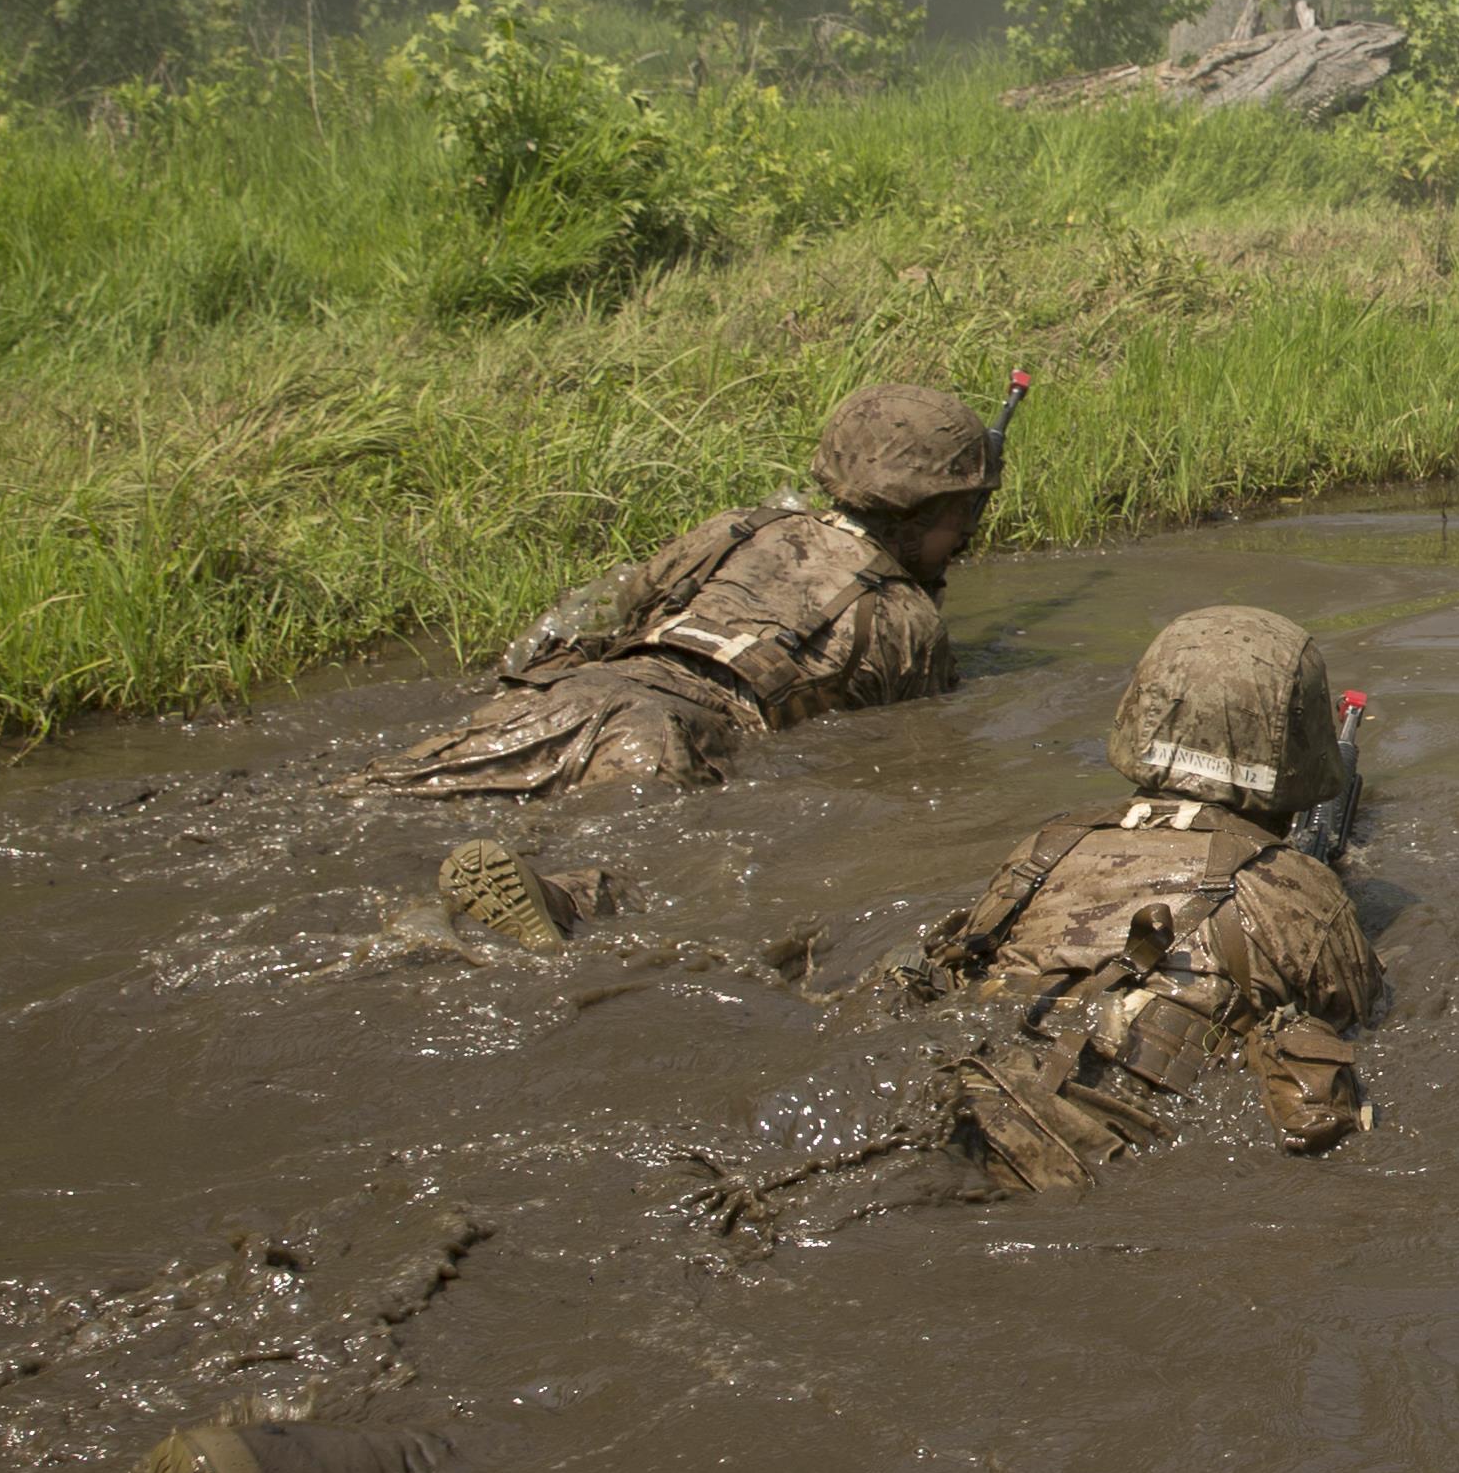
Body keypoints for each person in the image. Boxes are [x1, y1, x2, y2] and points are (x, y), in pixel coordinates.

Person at [917, 604, 1382, 1188]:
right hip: (1111, 1159)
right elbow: (1365, 1012)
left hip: (971, 1097)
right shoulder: (1293, 888)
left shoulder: (1047, 846)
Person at [365, 383, 1000, 805]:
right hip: (670, 741)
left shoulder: (735, 528)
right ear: (924, 511)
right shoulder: (906, 618)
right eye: (963, 515)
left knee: (384, 794)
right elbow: (915, 743)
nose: (968, 533)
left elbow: (629, 610)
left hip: (560, 700)